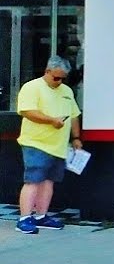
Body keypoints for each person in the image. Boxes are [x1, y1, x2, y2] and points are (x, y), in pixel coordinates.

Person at [14, 56, 82, 234]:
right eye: (56, 78)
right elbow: (27, 112)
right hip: (36, 143)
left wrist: (76, 137)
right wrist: (51, 121)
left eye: (63, 78)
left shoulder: (66, 91)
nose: (59, 82)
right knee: (33, 181)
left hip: (58, 145)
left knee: (48, 182)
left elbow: (74, 115)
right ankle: (24, 218)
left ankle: (41, 216)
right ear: (47, 71)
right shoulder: (32, 87)